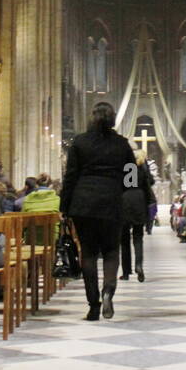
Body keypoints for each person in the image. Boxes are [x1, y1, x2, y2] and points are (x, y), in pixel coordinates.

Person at [60, 101, 136, 321]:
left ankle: (93, 305)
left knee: (89, 253)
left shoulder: (80, 142)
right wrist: (118, 188)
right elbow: (131, 176)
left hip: (83, 203)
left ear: (92, 117)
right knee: (112, 251)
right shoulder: (122, 144)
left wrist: (64, 206)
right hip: (111, 202)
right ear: (113, 119)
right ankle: (108, 291)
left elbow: (71, 176)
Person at [120, 149, 151, 282]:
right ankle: (139, 265)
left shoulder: (124, 167)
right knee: (138, 238)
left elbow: (118, 185)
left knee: (124, 239)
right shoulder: (142, 169)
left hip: (125, 200)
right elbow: (148, 186)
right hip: (139, 200)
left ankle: (126, 272)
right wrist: (147, 204)